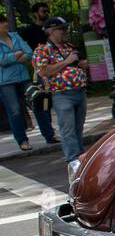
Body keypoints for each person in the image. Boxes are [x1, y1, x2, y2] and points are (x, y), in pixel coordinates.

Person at [33, 17, 90, 164]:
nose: (66, 31)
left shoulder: (69, 46)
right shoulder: (43, 50)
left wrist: (81, 65)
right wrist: (66, 62)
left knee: (78, 127)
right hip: (62, 94)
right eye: (62, 29)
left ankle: (80, 156)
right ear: (51, 31)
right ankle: (72, 159)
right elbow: (44, 71)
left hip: (80, 92)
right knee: (67, 128)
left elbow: (74, 64)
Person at [18, 0, 57, 144]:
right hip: (41, 71)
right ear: (35, 14)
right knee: (44, 102)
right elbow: (22, 48)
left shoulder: (51, 29)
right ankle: (49, 134)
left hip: (56, 67)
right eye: (43, 11)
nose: (46, 14)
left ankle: (52, 132)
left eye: (47, 11)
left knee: (54, 101)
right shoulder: (29, 31)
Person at [0, 16, 39, 151]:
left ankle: (49, 134)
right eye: (1, 22)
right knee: (15, 111)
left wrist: (13, 57)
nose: (5, 24)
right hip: (6, 82)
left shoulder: (15, 36)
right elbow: (2, 60)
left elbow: (29, 52)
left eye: (5, 21)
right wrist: (17, 55)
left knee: (38, 101)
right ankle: (22, 140)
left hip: (23, 77)